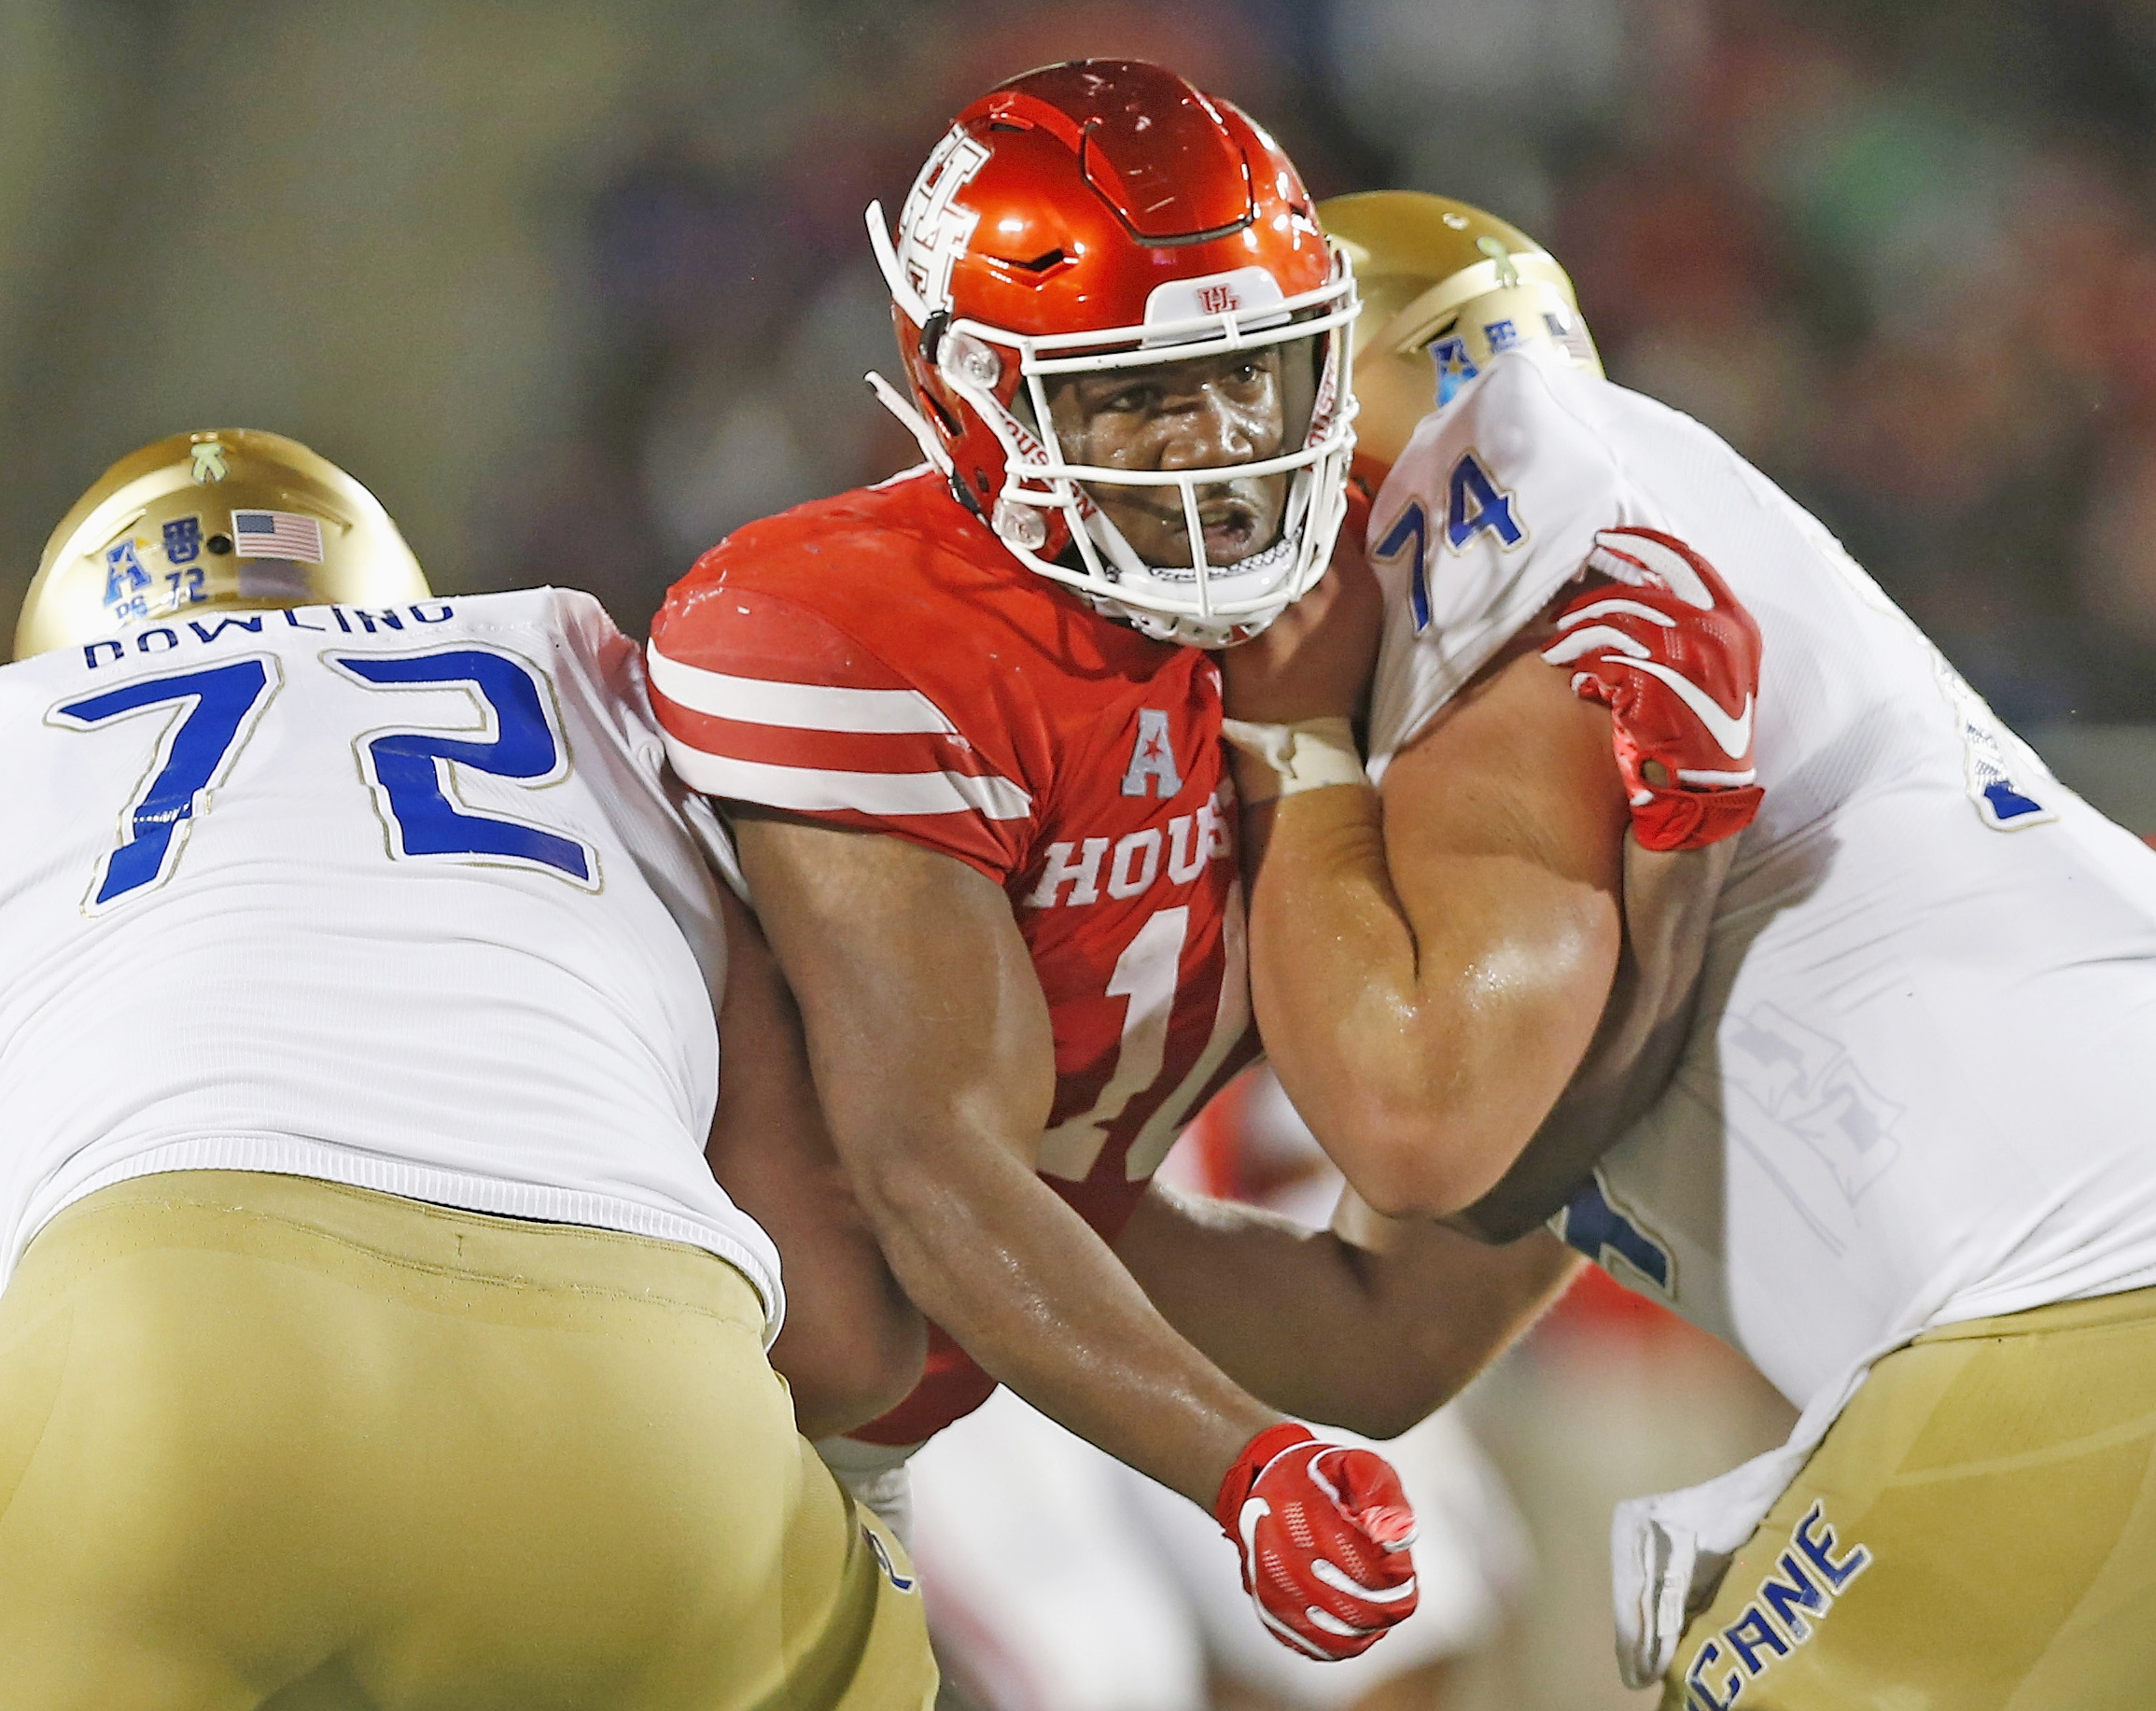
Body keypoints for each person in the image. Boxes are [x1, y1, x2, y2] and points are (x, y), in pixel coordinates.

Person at [1222, 190, 2156, 1706]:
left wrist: (1287, 743)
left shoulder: (1517, 550)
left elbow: (1417, 1128)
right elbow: (1374, 1335)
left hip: (2073, 1297)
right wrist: (977, 1206)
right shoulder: (1581, 748)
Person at [646, 59, 1422, 1663]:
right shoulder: (846, 623)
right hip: (715, 1402)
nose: (1212, 447)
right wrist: (1246, 1459)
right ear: (975, 394)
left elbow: (1371, 1308)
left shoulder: (1362, 574)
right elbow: (928, 1160)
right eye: (1135, 393)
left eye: (1248, 377)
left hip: (939, 1379)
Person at [0, 428, 937, 1711]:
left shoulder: (21, 746)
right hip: (645, 1408)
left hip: (162, 1373)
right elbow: (840, 1341)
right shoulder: (583, 679)